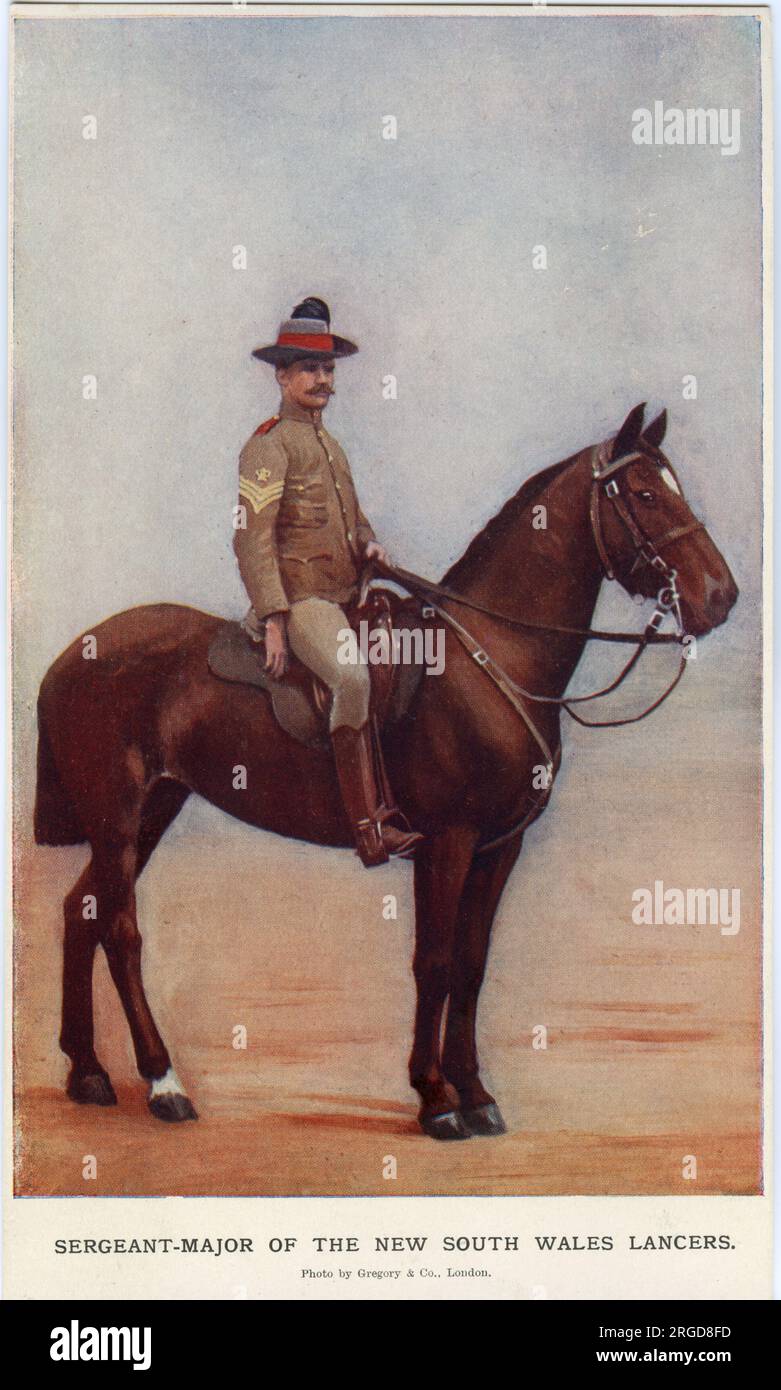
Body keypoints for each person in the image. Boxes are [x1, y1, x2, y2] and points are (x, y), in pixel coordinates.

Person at [233, 296, 424, 868]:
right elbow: (252, 538)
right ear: (282, 374)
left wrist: (368, 542)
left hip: (349, 594)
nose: (323, 380)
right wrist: (274, 620)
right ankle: (368, 827)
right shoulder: (268, 445)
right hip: (303, 600)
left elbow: (351, 517)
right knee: (351, 677)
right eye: (309, 369)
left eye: (328, 369)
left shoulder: (330, 445)